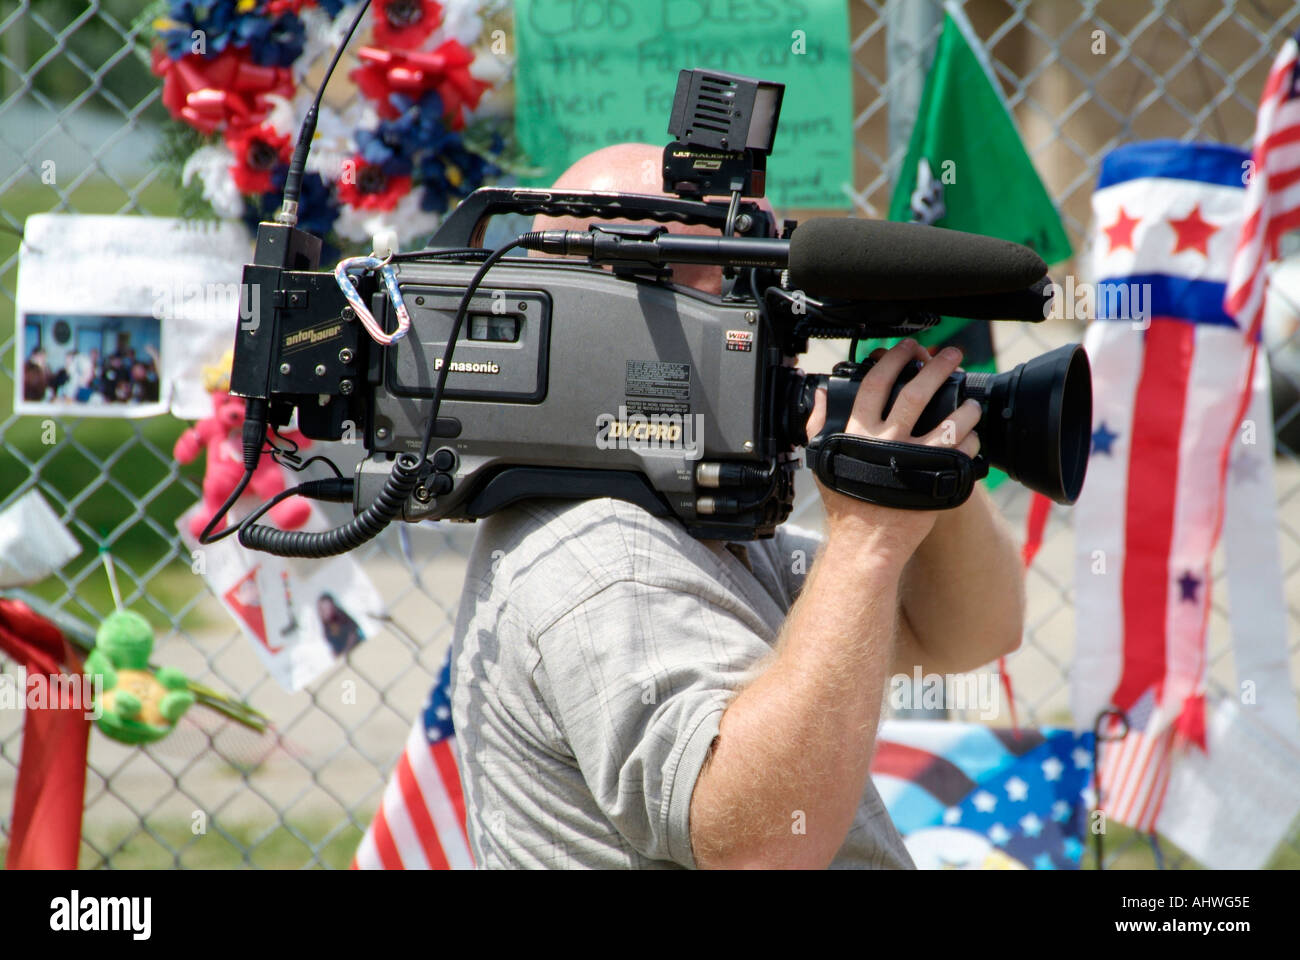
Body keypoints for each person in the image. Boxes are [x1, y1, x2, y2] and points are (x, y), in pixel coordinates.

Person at [444, 142, 1026, 870]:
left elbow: (968, 633)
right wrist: (867, 540)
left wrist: (927, 459)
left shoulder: (672, 510)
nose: (775, 333)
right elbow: (765, 843)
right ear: (601, 322)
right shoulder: (609, 554)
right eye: (728, 291)